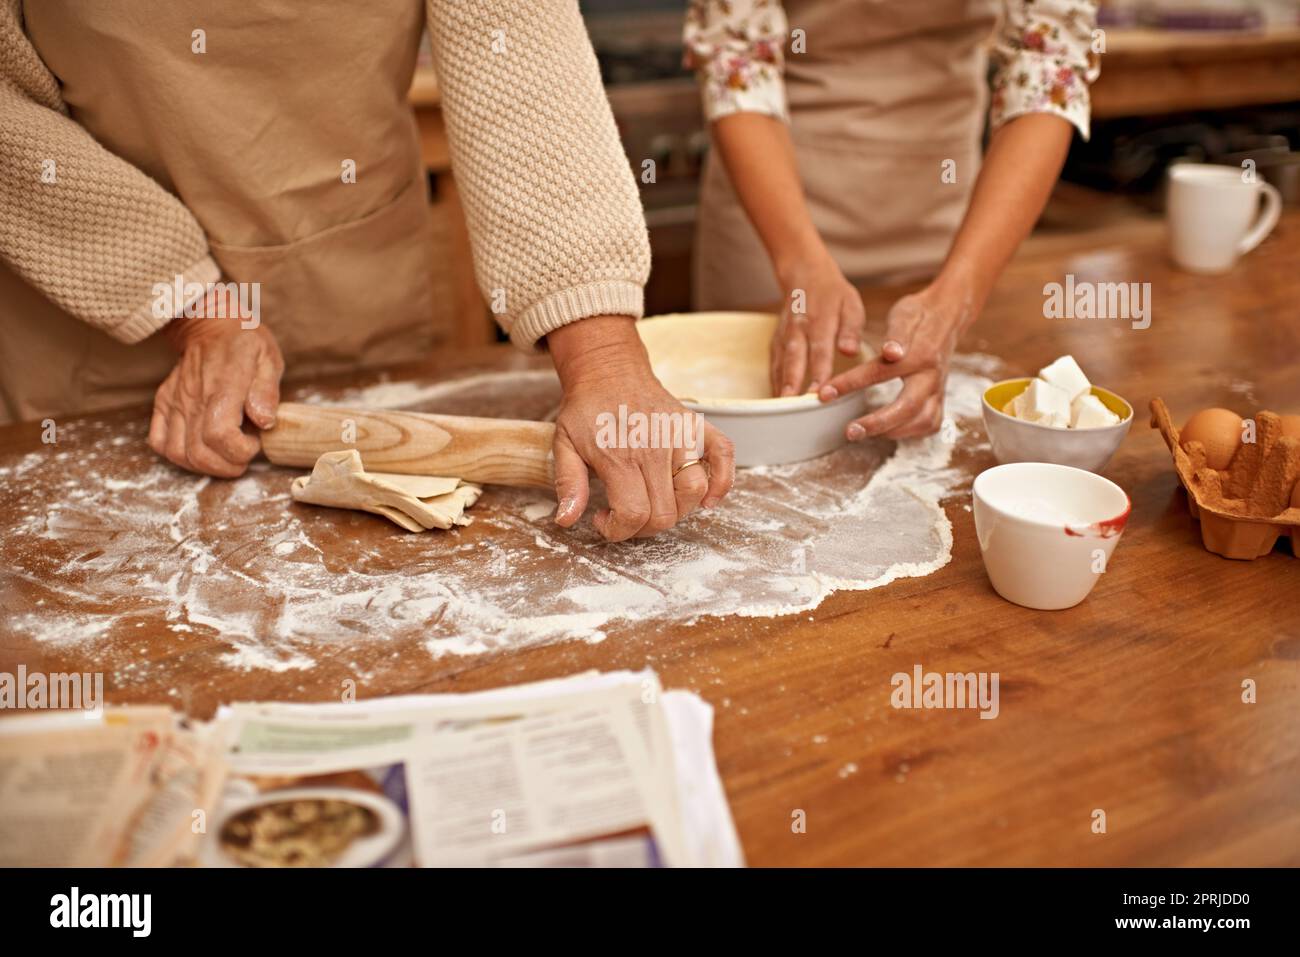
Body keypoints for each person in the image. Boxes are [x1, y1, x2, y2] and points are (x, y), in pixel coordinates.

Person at [0, 1, 734, 541]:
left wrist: (602, 356)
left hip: (348, 272)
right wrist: (191, 307)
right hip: (101, 294)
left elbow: (516, 42)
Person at [685, 0, 1100, 439]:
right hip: (771, 209)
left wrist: (958, 291)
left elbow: (1047, 68)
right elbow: (737, 56)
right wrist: (798, 261)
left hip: (945, 199)